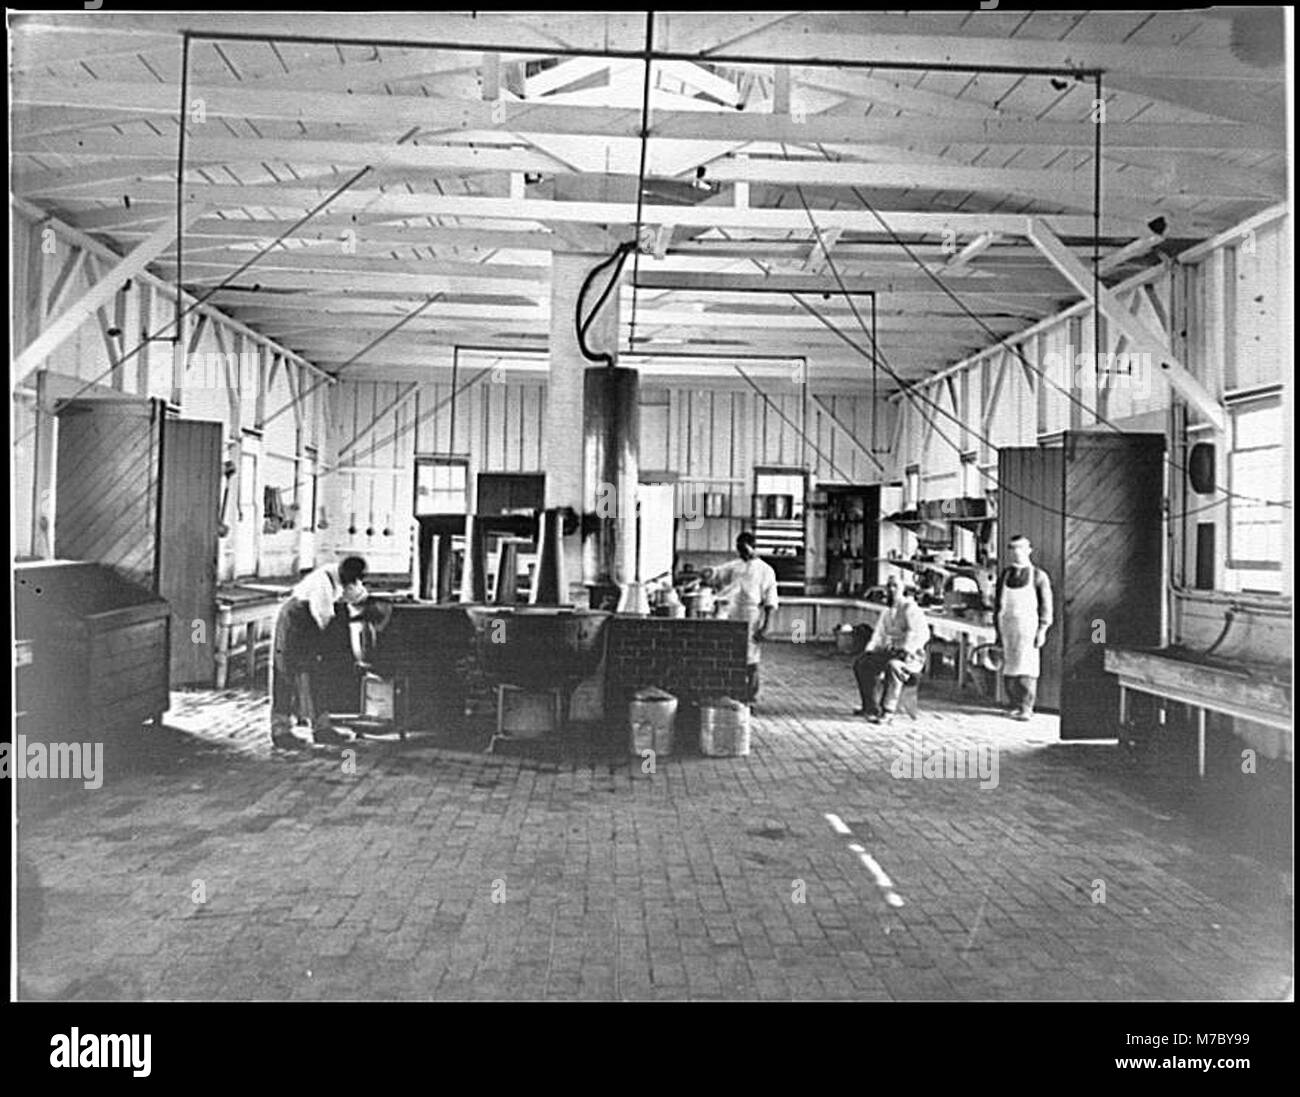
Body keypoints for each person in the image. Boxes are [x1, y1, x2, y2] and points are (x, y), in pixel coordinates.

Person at [270, 555, 369, 750]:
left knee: (316, 674)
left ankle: (321, 728)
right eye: (351, 579)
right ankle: (280, 731)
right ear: (344, 573)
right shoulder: (322, 583)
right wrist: (329, 649)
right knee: (287, 674)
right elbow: (324, 618)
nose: (352, 582)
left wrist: (367, 599)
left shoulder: (340, 575)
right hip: (294, 623)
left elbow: (356, 595)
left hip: (308, 625)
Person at [706, 532, 778, 705]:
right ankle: (734, 692)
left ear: (753, 547)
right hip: (732, 611)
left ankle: (751, 696)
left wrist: (766, 626)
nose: (742, 553)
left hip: (752, 615)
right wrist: (708, 572)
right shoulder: (735, 566)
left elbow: (770, 601)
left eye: (744, 549)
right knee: (732, 653)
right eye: (739, 549)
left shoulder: (765, 570)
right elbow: (718, 573)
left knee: (750, 657)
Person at [853, 573, 931, 724]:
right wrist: (870, 651)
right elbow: (878, 635)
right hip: (891, 652)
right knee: (862, 663)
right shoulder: (887, 612)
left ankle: (888, 711)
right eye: (889, 586)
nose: (891, 590)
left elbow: (922, 634)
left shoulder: (910, 609)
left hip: (912, 657)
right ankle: (870, 707)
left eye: (895, 586)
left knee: (893, 666)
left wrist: (908, 649)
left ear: (902, 589)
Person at [994, 534, 1054, 721]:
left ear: (1029, 550)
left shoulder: (1039, 576)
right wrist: (997, 627)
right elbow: (998, 603)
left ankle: (1026, 707)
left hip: (1028, 627)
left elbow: (1046, 605)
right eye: (1013, 548)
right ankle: (1014, 705)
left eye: (1020, 548)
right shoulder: (1005, 575)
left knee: (1026, 667)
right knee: (1010, 666)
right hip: (1007, 627)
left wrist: (1043, 629)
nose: (1017, 552)